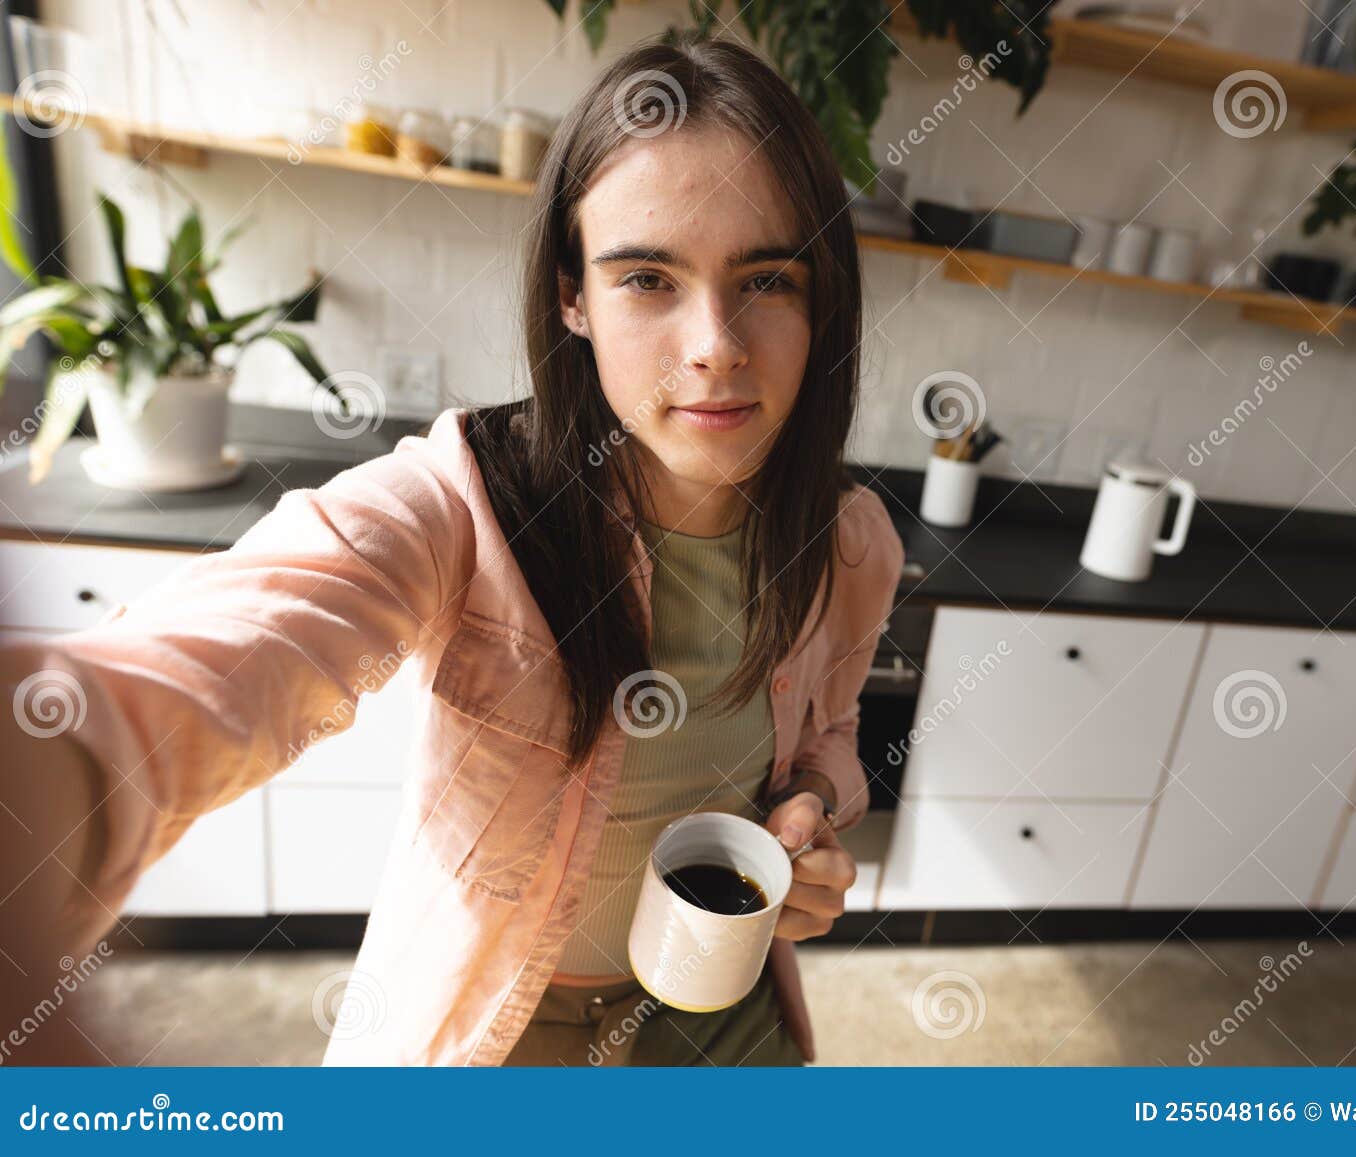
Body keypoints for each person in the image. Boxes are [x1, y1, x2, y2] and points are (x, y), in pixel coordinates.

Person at [0, 31, 904, 1066]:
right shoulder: (462, 509)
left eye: (769, 278)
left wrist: (813, 805)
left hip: (732, 1020)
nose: (716, 343)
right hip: (496, 1029)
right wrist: (54, 759)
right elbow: (195, 676)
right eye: (648, 278)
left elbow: (831, 727)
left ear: (821, 294)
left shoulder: (848, 544)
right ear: (573, 297)